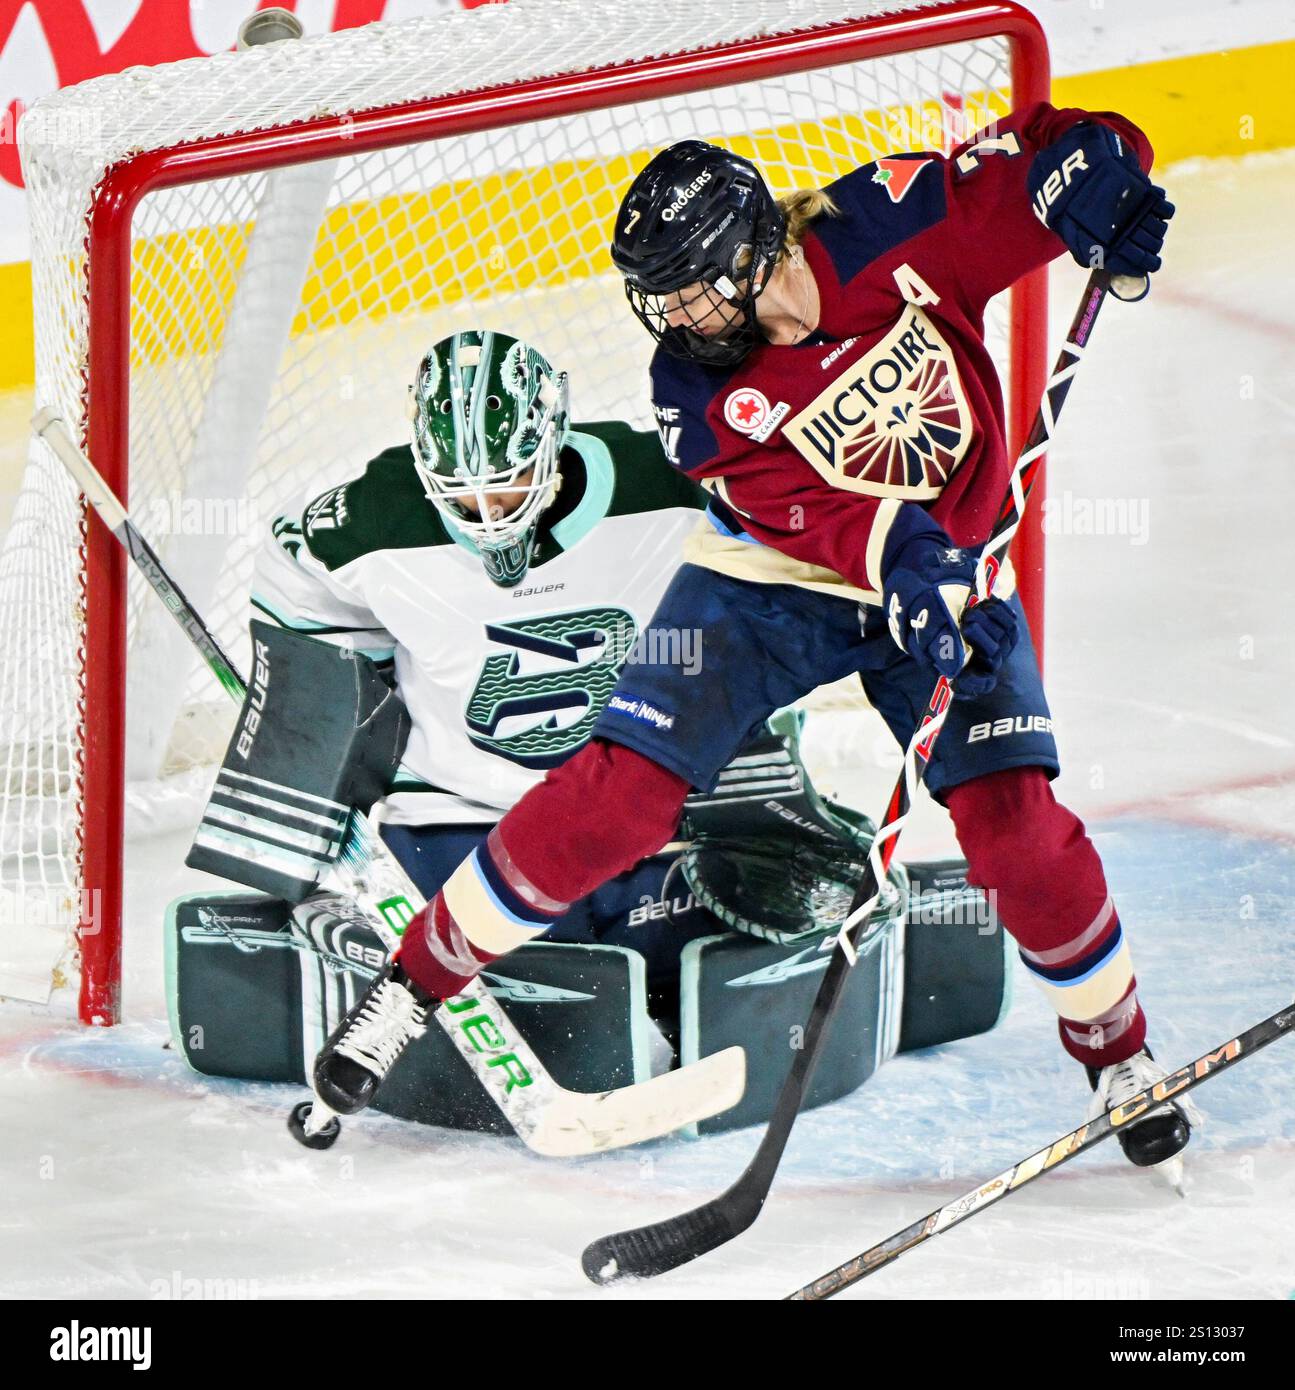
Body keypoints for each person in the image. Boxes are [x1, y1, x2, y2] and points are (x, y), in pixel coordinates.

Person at [314, 105, 1194, 1176]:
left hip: (952, 577)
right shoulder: (691, 394)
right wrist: (909, 560)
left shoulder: (895, 220)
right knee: (618, 796)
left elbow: (1068, 149)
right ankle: (412, 986)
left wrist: (1099, 183)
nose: (676, 317)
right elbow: (817, 523)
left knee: (1015, 832)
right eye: (661, 298)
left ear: (751, 252)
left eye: (690, 287)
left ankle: (1119, 1056)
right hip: (775, 585)